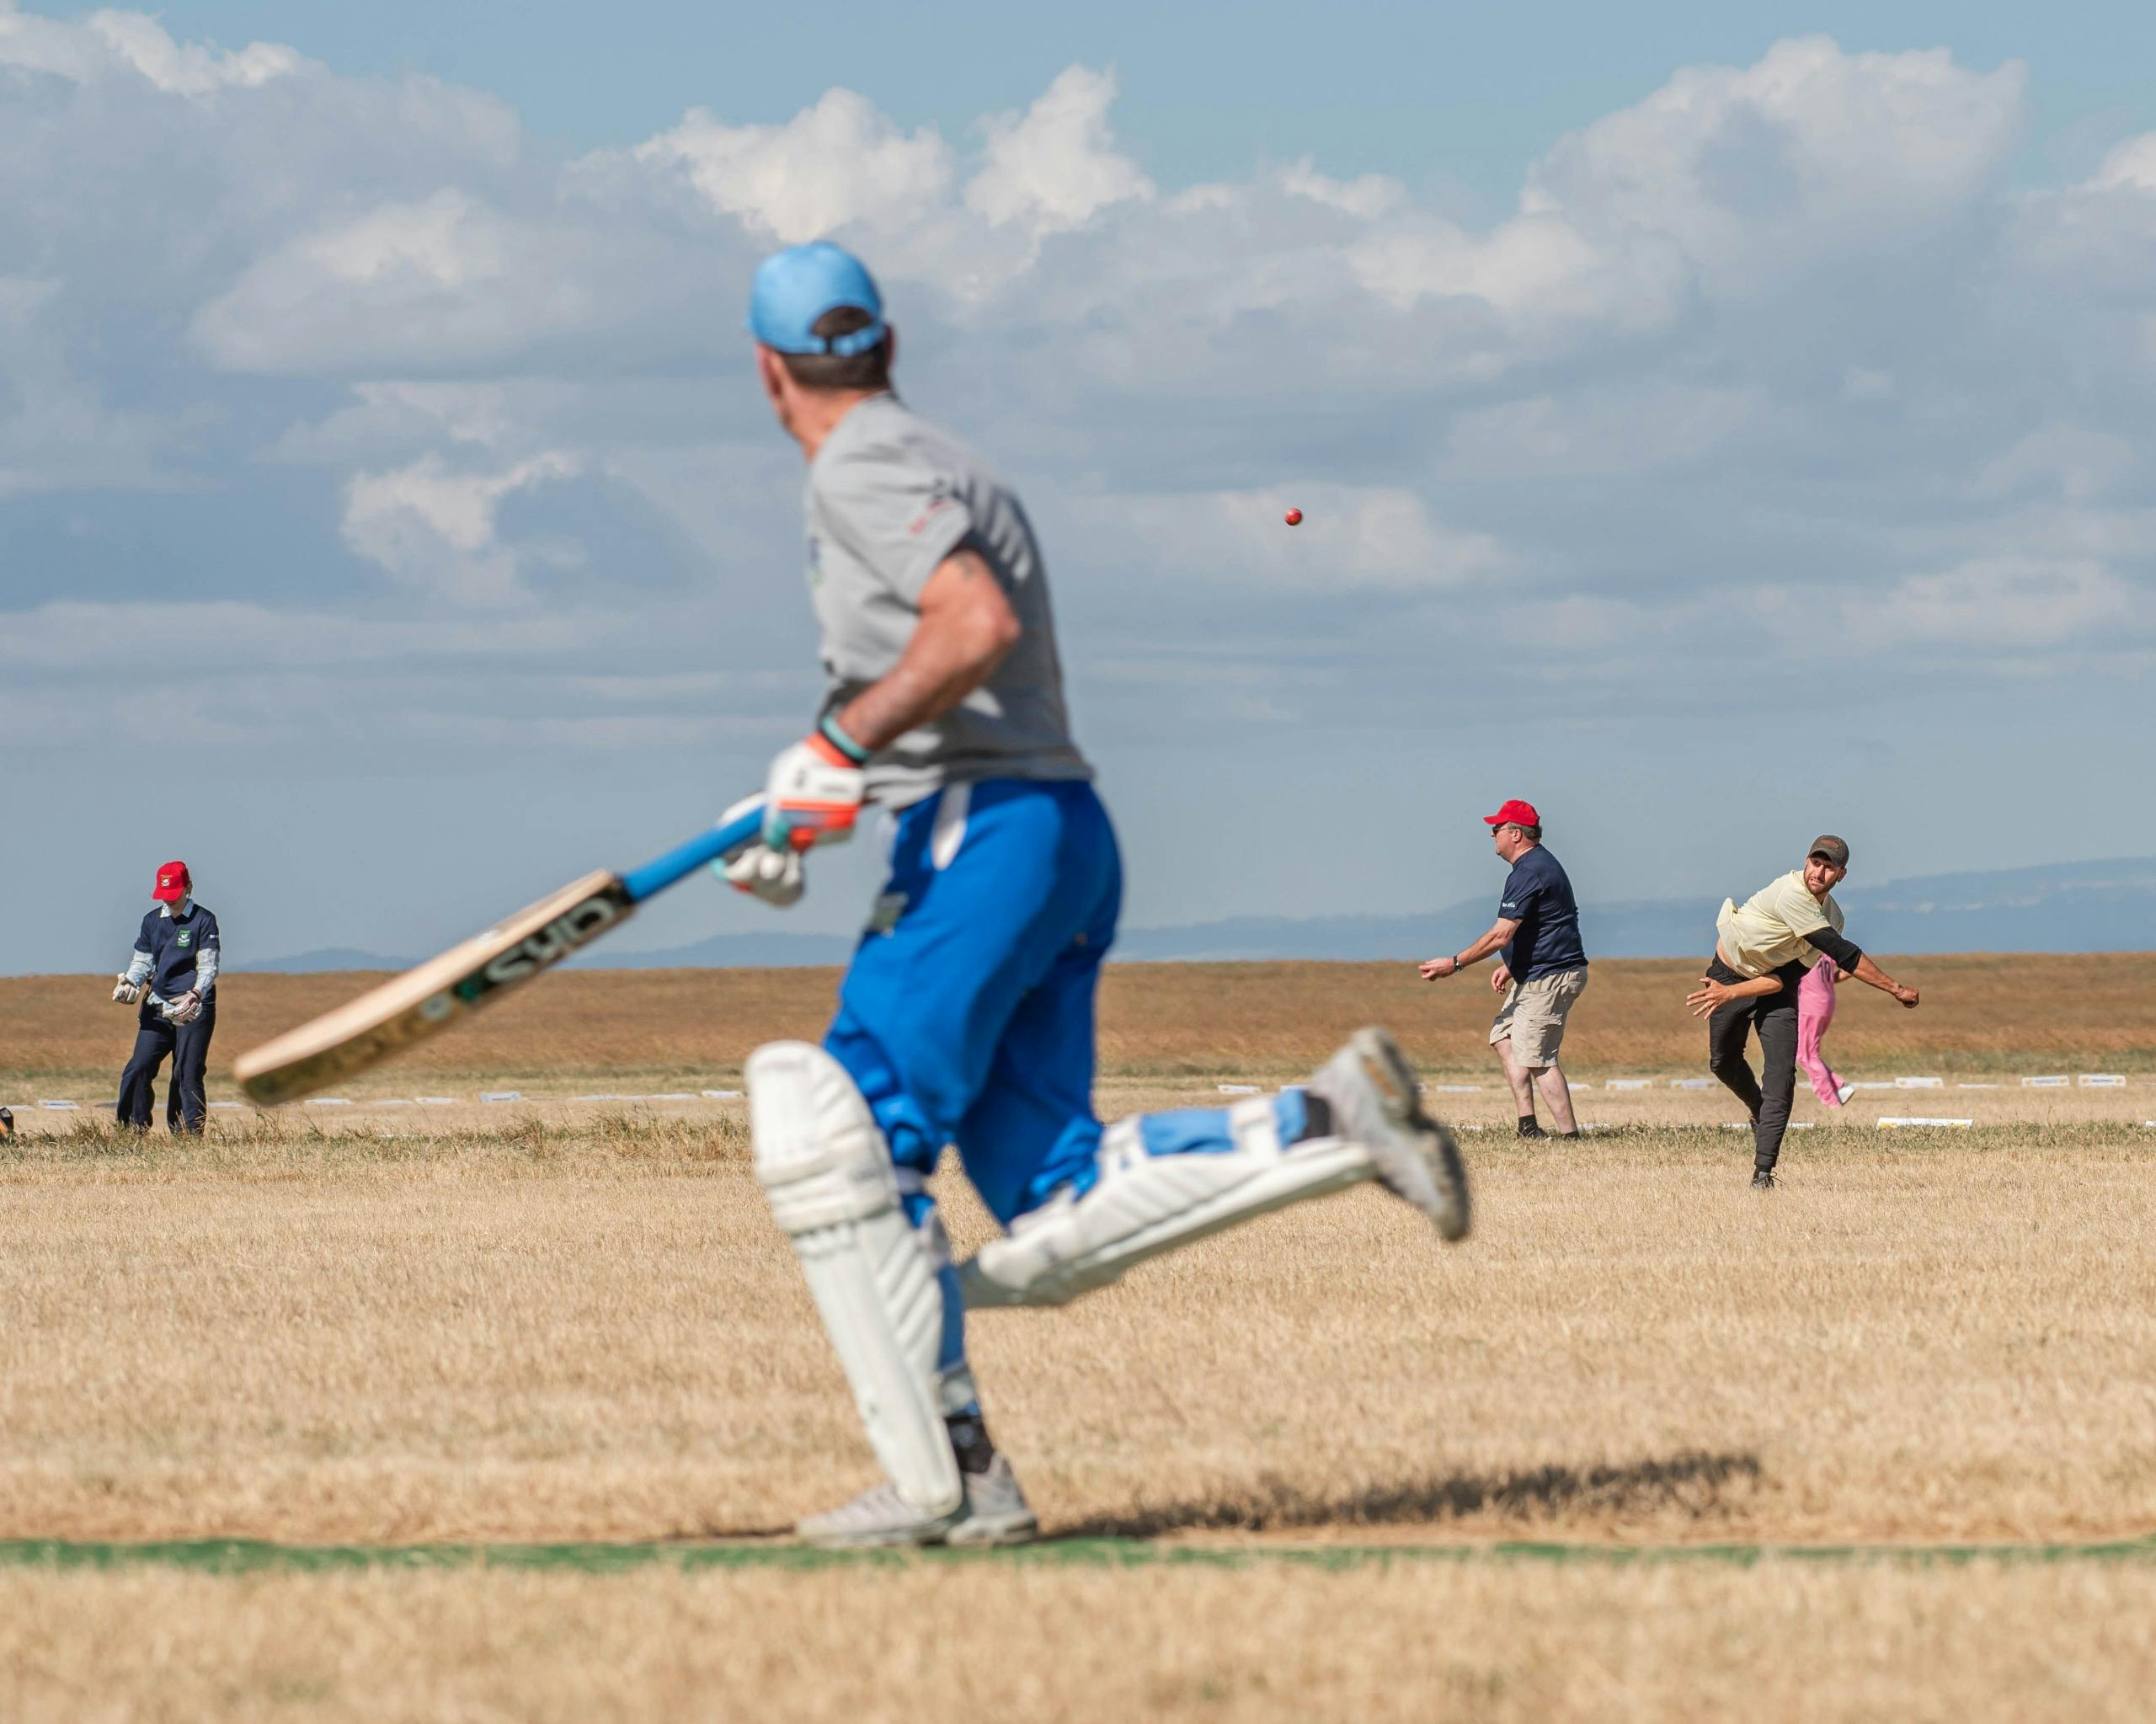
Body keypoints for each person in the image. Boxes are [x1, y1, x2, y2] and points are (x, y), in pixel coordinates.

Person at [721, 241, 1470, 1549]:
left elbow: (971, 629)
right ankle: (1332, 1115)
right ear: (886, 344)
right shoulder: (947, 457)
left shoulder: (859, 465)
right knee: (1052, 1197)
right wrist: (822, 770)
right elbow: (943, 655)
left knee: (842, 1130)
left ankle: (942, 1483)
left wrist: (844, 749)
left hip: (988, 826)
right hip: (1055, 828)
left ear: (768, 369)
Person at [1686, 836, 1918, 1189]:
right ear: (1806, 861)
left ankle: (1763, 1172)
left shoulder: (1832, 918)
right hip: (1726, 975)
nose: (1819, 872)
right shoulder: (1790, 894)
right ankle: (1760, 1111)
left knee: (1781, 1075)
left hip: (1769, 988)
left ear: (1841, 874)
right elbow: (1843, 953)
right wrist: (1897, 989)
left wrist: (1734, 993)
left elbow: (1782, 981)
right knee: (1722, 1063)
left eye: (1829, 867)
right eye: (1816, 862)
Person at [1419, 799, 1588, 1140]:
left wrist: (1455, 964)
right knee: (1504, 1037)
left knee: (1539, 1058)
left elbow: (1501, 933)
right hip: (1537, 972)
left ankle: (1571, 1138)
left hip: (1550, 976)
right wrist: (1512, 967)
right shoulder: (1535, 868)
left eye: (1496, 828)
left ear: (1515, 834)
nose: (1492, 834)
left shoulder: (1530, 870)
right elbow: (1546, 925)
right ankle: (1528, 1126)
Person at [113, 860, 221, 1134]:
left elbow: (208, 966)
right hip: (158, 1003)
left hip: (193, 1005)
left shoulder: (204, 920)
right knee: (139, 1066)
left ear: (188, 888)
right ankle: (131, 1129)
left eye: (174, 895)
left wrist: (196, 994)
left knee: (186, 1071)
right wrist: (131, 982)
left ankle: (186, 1133)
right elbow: (143, 961)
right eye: (165, 896)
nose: (170, 901)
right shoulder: (152, 921)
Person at [1796, 957, 1858, 1110]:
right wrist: (1828, 981)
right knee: (1809, 1055)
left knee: (1807, 1056)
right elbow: (1849, 969)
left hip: (1809, 1005)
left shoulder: (1803, 948)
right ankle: (1839, 1086)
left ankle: (1831, 1100)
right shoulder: (1826, 948)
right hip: (1826, 1002)